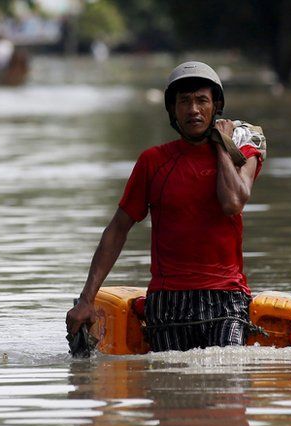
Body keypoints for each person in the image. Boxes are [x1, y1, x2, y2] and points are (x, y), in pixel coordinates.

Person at [65, 61, 265, 352]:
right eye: (184, 102)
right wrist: (86, 300)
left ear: (216, 106)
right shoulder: (153, 162)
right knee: (170, 391)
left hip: (226, 298)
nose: (193, 109)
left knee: (227, 386)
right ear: (172, 110)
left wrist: (222, 146)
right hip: (168, 302)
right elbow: (117, 229)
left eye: (201, 100)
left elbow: (233, 202)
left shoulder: (244, 152)